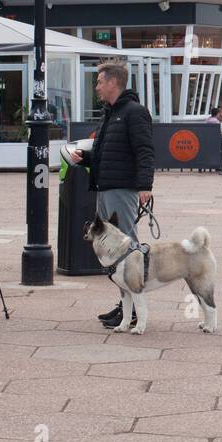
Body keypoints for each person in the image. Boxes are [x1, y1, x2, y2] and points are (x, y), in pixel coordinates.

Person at [67, 60, 155, 330]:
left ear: (113, 82)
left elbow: (144, 150)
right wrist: (86, 158)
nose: (97, 87)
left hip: (121, 188)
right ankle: (125, 307)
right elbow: (109, 152)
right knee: (116, 250)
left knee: (126, 250)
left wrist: (145, 186)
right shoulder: (110, 113)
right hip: (106, 186)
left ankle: (135, 309)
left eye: (99, 82)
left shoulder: (134, 112)